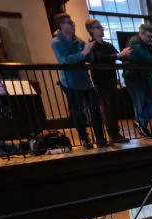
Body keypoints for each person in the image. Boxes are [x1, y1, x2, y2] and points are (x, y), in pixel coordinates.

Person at [51, 13, 107, 148]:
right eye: (68, 22)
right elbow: (66, 60)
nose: (72, 24)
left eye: (72, 22)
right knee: (78, 112)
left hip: (86, 81)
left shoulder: (79, 41)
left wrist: (92, 53)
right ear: (61, 25)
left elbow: (86, 58)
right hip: (70, 83)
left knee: (95, 110)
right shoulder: (57, 42)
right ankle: (84, 138)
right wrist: (83, 53)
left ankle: (100, 138)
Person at [85, 18, 131, 144]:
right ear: (91, 30)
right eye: (98, 27)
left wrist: (127, 55)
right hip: (100, 81)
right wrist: (117, 56)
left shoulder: (108, 45)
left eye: (101, 27)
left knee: (114, 107)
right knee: (107, 107)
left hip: (111, 79)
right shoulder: (91, 46)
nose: (102, 29)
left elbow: (119, 56)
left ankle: (115, 133)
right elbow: (97, 58)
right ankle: (112, 134)